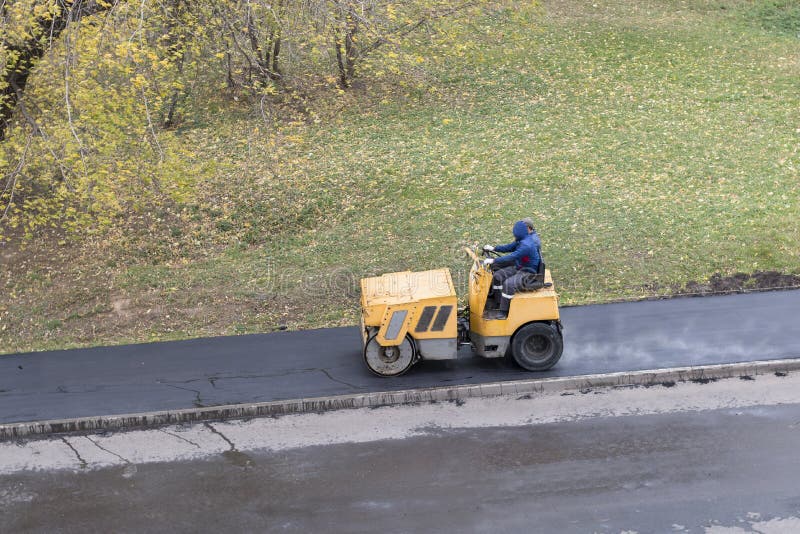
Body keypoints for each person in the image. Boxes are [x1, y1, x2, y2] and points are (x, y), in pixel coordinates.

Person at [482, 220, 541, 317]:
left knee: (508, 284)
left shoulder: (527, 245)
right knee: (497, 276)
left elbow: (512, 256)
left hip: (528, 271)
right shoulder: (521, 239)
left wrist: (493, 261)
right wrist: (494, 248)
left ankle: (504, 311)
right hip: (520, 266)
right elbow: (509, 247)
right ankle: (498, 301)